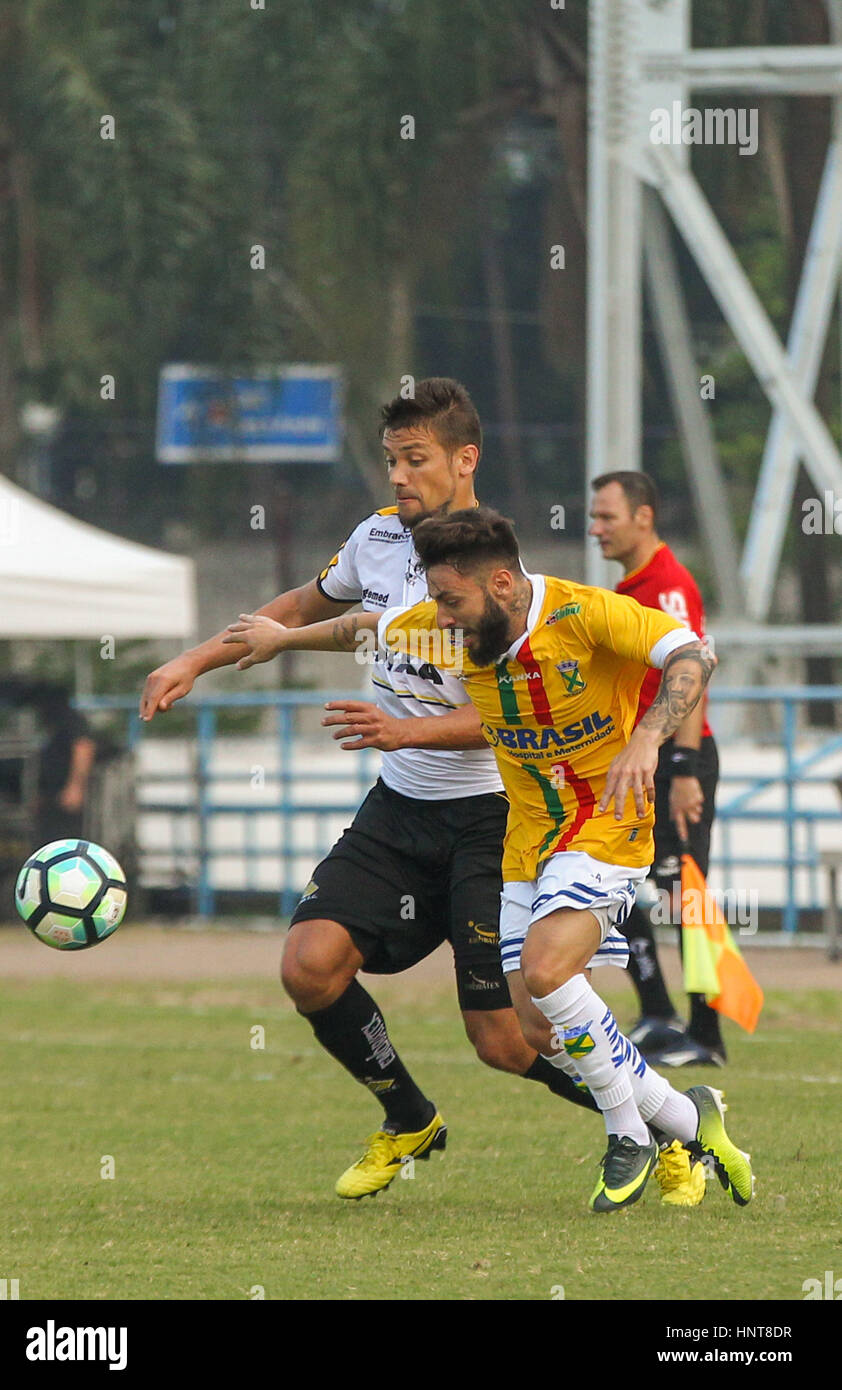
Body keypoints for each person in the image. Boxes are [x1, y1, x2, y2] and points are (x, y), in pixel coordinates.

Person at [141, 378, 628, 1205]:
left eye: (416, 460)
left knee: (509, 1041)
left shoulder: (496, 574)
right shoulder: (375, 540)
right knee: (310, 967)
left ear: (464, 461)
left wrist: (404, 728)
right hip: (401, 809)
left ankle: (658, 1122)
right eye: (391, 460)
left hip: (492, 820)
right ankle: (408, 1116)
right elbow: (305, 608)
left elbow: (509, 717)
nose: (399, 476)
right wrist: (194, 659)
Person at [225, 507, 754, 1214]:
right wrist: (283, 638)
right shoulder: (449, 623)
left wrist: (650, 739)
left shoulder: (589, 615)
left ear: (502, 583)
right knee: (535, 1028)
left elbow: (693, 655)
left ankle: (629, 1131)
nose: (439, 618)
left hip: (606, 824)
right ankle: (690, 1121)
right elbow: (359, 627)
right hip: (526, 837)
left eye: (450, 600)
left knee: (546, 969)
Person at [589, 472, 725, 1068]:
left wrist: (686, 768)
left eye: (606, 517)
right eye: (592, 517)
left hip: (677, 761)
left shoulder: (667, 585)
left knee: (684, 892)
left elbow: (692, 675)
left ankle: (707, 1034)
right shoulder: (633, 584)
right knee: (624, 882)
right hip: (645, 759)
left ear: (643, 517)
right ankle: (658, 1012)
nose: (595, 528)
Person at [32, 684, 97, 848]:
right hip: (52, 796)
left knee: (68, 842)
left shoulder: (70, 720)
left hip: (66, 796)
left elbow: (83, 748)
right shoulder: (53, 725)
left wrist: (75, 787)